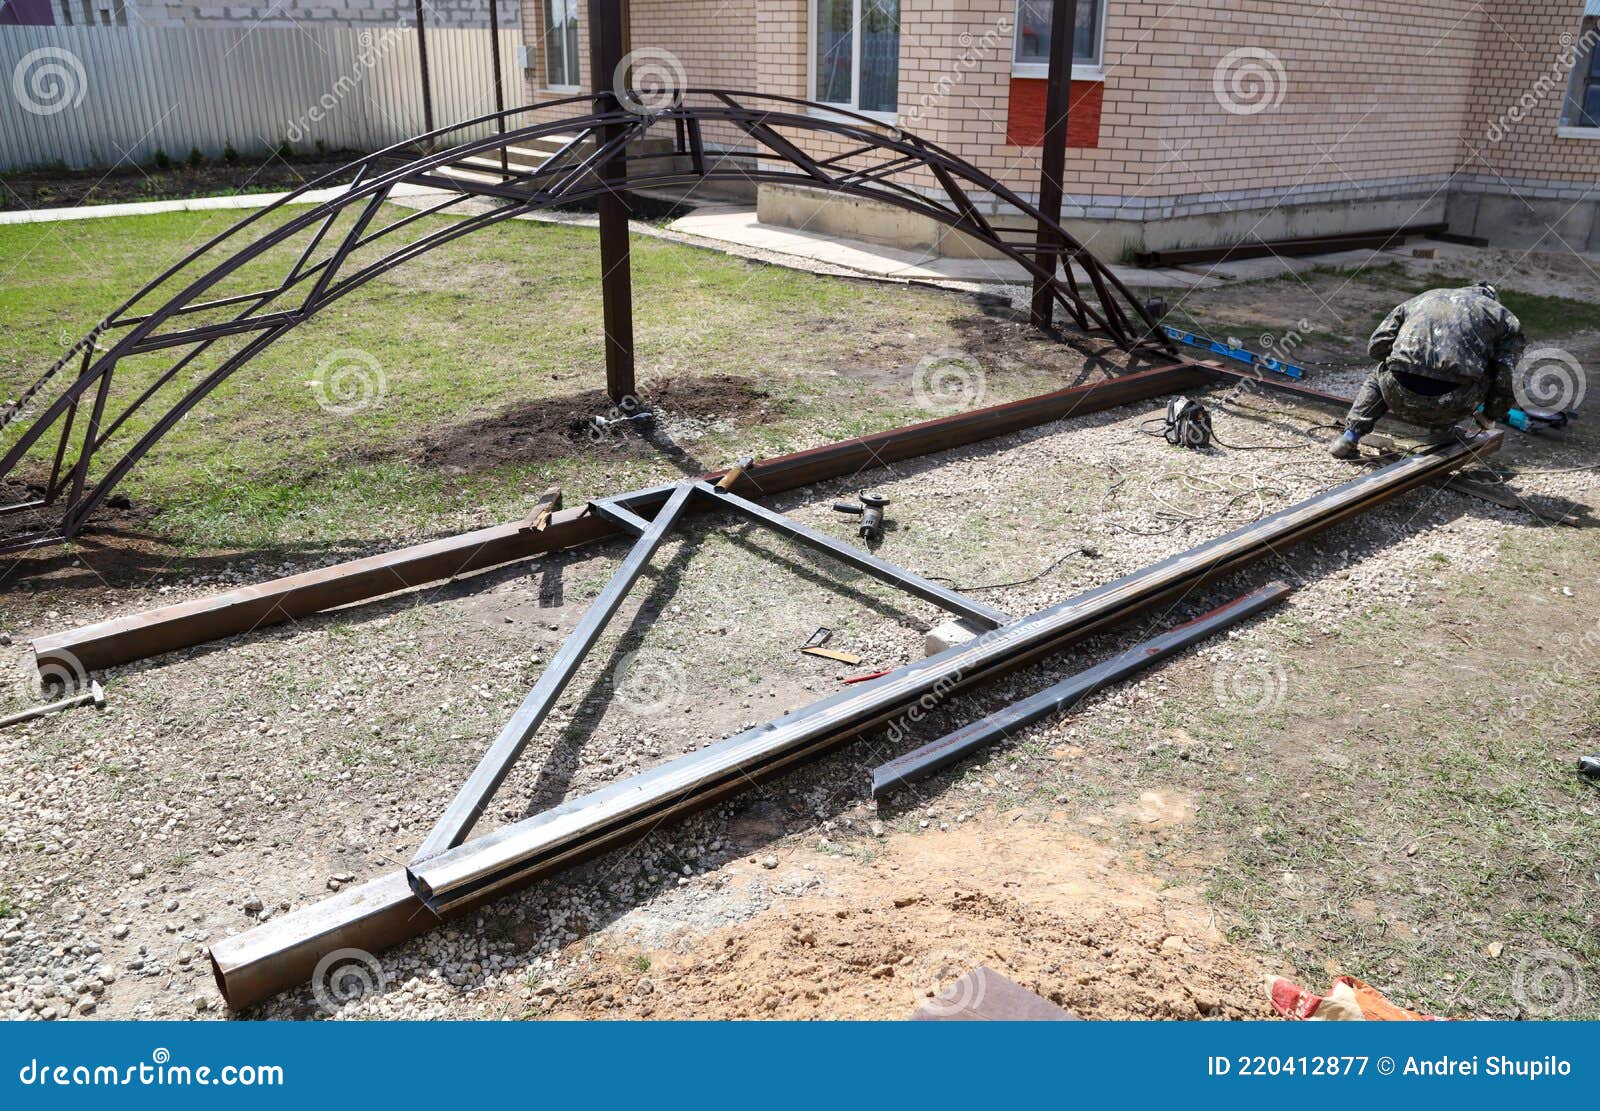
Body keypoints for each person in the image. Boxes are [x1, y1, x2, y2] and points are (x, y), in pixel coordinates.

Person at [1330, 281, 1525, 459]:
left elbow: (1376, 348)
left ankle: (1351, 435)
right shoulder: (1503, 317)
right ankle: (1442, 433)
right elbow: (1508, 379)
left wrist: (1413, 362)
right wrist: (1490, 415)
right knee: (1485, 371)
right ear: (1490, 299)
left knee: (1382, 370)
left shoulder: (1424, 298)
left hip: (1396, 393)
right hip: (1454, 403)